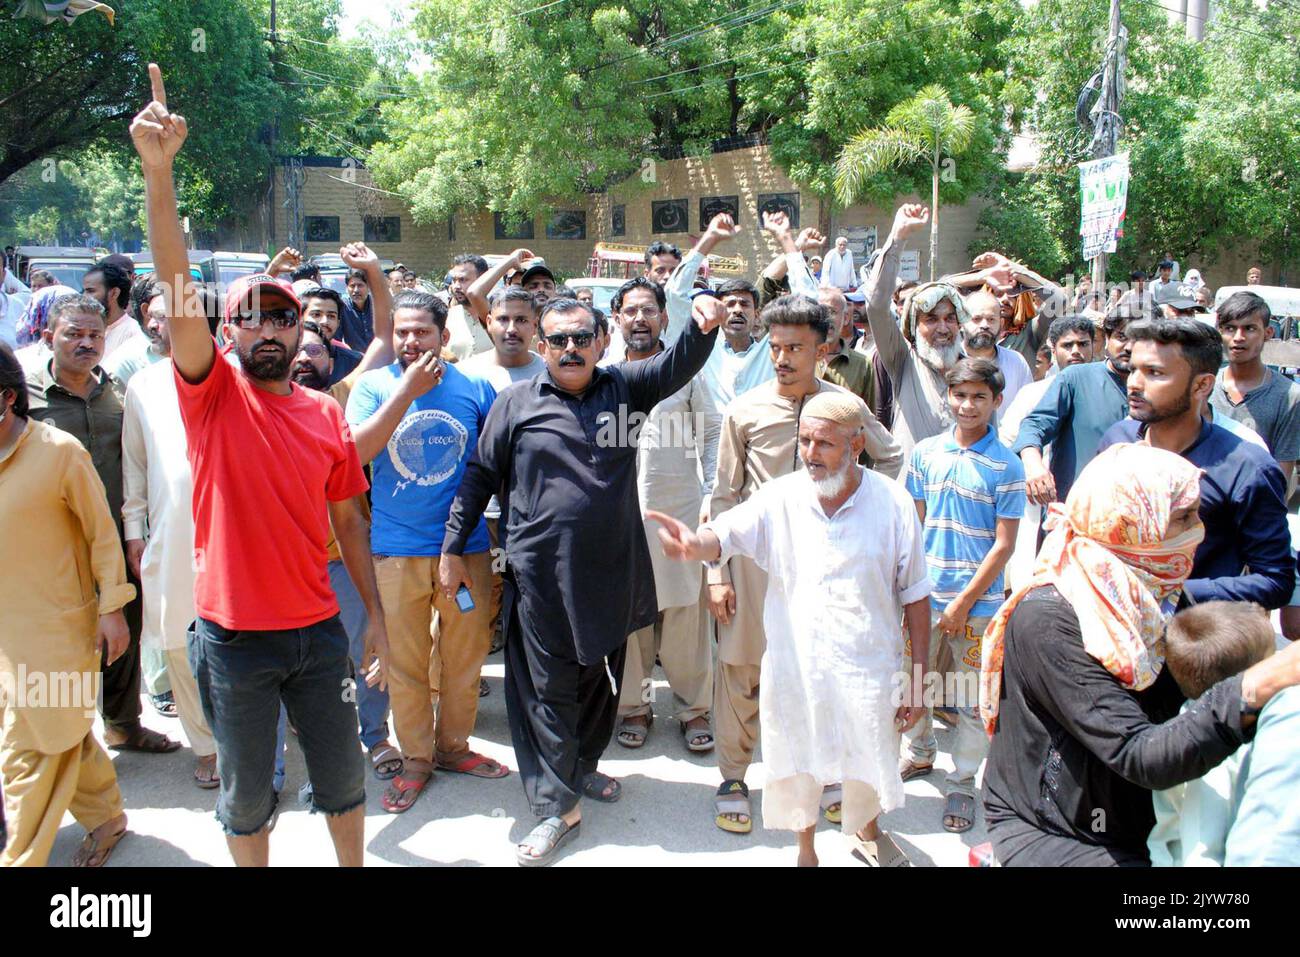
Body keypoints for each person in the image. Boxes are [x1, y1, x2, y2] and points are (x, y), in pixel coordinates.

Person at [131, 63, 388, 866]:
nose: (272, 329)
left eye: (285, 316)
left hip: (317, 634)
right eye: (255, 317)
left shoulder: (324, 416)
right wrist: (158, 172)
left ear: (302, 331)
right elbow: (176, 285)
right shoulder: (210, 394)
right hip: (234, 639)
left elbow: (348, 519)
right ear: (230, 332)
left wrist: (374, 616)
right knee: (247, 795)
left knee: (344, 778)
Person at [440, 294, 723, 865]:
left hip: (612, 573)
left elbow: (679, 363)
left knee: (598, 682)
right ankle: (555, 808)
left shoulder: (625, 389)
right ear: (541, 347)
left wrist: (703, 324)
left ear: (600, 342)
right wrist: (451, 548)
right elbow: (478, 477)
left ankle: (580, 769)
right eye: (558, 340)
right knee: (544, 692)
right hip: (538, 575)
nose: (570, 348)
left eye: (581, 338)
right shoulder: (515, 404)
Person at [980, 442, 1300, 866]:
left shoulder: (1154, 592)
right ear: (1132, 525)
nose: (1199, 529)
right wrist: (1254, 688)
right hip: (1055, 826)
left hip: (1132, 807)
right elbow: (1138, 752)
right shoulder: (1050, 618)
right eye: (1183, 517)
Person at [648, 390, 931, 867]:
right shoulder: (782, 496)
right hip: (797, 664)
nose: (810, 455)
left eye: (824, 444)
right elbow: (728, 532)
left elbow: (916, 594)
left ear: (856, 445)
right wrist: (696, 545)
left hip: (869, 664)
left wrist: (918, 677)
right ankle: (805, 850)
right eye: (804, 442)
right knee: (798, 758)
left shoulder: (893, 503)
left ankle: (866, 829)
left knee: (867, 751)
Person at [707, 295, 900, 834]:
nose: (784, 358)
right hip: (753, 562)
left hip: (828, 567)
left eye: (796, 347)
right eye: (776, 348)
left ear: (824, 347)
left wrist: (868, 521)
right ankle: (734, 777)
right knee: (742, 668)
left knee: (823, 670)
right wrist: (716, 573)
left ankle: (829, 779)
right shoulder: (744, 410)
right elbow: (722, 496)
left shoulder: (846, 409)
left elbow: (890, 458)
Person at [345, 290, 506, 813]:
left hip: (467, 549)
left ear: (443, 336)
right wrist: (407, 390)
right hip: (395, 551)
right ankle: (416, 758)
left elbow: (493, 467)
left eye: (422, 332)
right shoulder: (371, 386)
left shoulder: (475, 388)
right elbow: (357, 454)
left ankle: (454, 747)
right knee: (407, 663)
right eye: (402, 332)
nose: (411, 342)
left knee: (465, 659)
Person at [0, 342, 135, 867]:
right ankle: (106, 817)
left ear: (7, 398)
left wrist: (113, 608)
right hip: (7, 635)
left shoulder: (58, 453)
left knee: (27, 751)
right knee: (63, 731)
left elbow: (104, 535)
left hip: (57, 634)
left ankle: (19, 858)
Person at [26, 293, 178, 756]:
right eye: (74, 333)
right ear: (49, 336)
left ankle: (123, 724)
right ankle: (72, 743)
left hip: (114, 534)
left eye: (95, 334)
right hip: (49, 541)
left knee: (122, 631)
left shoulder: (117, 392)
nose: (86, 343)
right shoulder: (25, 396)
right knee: (65, 642)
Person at [902, 357, 1023, 834]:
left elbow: (1005, 544)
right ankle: (919, 750)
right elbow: (912, 525)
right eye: (959, 395)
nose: (968, 405)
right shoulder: (926, 453)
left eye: (979, 397)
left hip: (978, 606)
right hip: (923, 598)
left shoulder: (1006, 464)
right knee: (915, 682)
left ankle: (963, 780)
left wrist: (962, 603)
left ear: (997, 401)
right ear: (947, 398)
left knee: (971, 697)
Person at [1098, 319, 1293, 610]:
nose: (1135, 383)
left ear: (1202, 385)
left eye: (1154, 373)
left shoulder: (1247, 468)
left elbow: (1274, 580)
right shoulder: (1117, 441)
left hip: (1190, 641)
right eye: (1133, 369)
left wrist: (1169, 593)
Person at [289, 307, 402, 785]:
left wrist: (373, 273)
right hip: (285, 566)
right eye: (294, 349)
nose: (301, 358)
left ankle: (375, 734)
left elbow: (383, 337)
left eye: (312, 349)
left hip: (343, 558)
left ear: (330, 357)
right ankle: (296, 751)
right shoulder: (249, 404)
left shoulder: (339, 401)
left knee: (366, 648)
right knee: (292, 661)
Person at [609, 278, 720, 754]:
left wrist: (713, 494)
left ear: (664, 318)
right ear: (617, 319)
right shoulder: (604, 376)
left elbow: (712, 433)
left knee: (684, 616)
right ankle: (633, 706)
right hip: (620, 518)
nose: (640, 318)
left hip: (678, 513)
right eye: (630, 311)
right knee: (629, 618)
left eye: (649, 310)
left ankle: (695, 708)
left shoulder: (686, 375)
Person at [121, 294, 220, 788]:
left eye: (179, 314)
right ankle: (205, 745)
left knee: (241, 636)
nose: (168, 323)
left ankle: (245, 736)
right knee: (181, 639)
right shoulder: (142, 385)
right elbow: (134, 465)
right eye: (159, 315)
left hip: (233, 528)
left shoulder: (237, 372)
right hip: (173, 529)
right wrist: (134, 530)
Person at [1147, 602, 1274, 866]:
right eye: (1271, 661)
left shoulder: (1195, 718)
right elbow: (1202, 847)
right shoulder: (1208, 753)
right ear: (1245, 682)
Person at [998, 316, 1095, 590]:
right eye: (1067, 345)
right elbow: (1008, 441)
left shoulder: (1105, 391)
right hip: (1035, 504)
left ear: (1094, 347)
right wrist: (1031, 466)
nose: (1075, 351)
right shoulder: (1032, 393)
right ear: (1054, 349)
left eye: (1082, 344)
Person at [1011, 309, 1133, 508]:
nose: (1129, 347)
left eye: (1139, 338)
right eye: (1121, 337)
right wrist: (1033, 464)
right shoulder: (1075, 378)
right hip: (1072, 515)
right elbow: (1034, 426)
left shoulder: (1163, 389)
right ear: (1108, 339)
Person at [1209, 291, 1300, 486]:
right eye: (1230, 328)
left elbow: (1280, 481)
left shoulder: (1289, 396)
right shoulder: (1202, 386)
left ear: (1268, 334)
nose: (1238, 337)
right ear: (1219, 332)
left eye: (1249, 328)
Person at [959, 289, 1033, 412]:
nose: (985, 325)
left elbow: (1028, 410)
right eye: (977, 319)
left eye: (991, 319)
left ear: (1001, 323)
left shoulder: (1016, 362)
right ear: (961, 322)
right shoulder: (948, 361)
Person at [81, 261, 147, 358]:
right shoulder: (86, 330)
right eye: (84, 291)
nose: (84, 297)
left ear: (114, 293)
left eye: (90, 291)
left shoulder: (134, 333)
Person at [339, 267, 375, 351]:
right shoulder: (342, 308)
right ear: (347, 288)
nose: (356, 290)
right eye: (352, 286)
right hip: (353, 359)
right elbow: (337, 341)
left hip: (378, 359)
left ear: (368, 287)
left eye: (360, 285)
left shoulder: (378, 306)